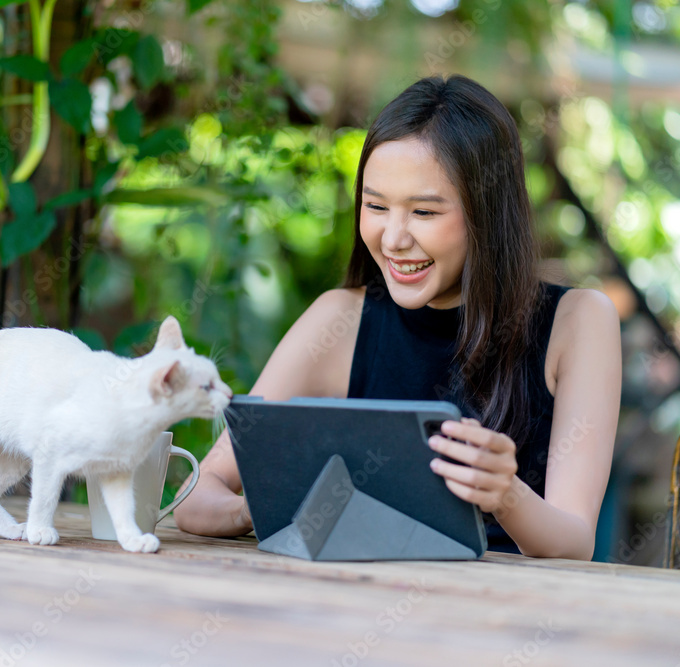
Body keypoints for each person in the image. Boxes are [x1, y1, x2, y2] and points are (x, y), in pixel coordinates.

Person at [173, 74, 621, 560]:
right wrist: (269, 508)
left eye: (424, 212)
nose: (393, 238)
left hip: (504, 603)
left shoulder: (577, 321)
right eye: (376, 206)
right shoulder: (339, 320)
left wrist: (506, 494)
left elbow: (576, 541)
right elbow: (195, 495)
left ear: (488, 213)